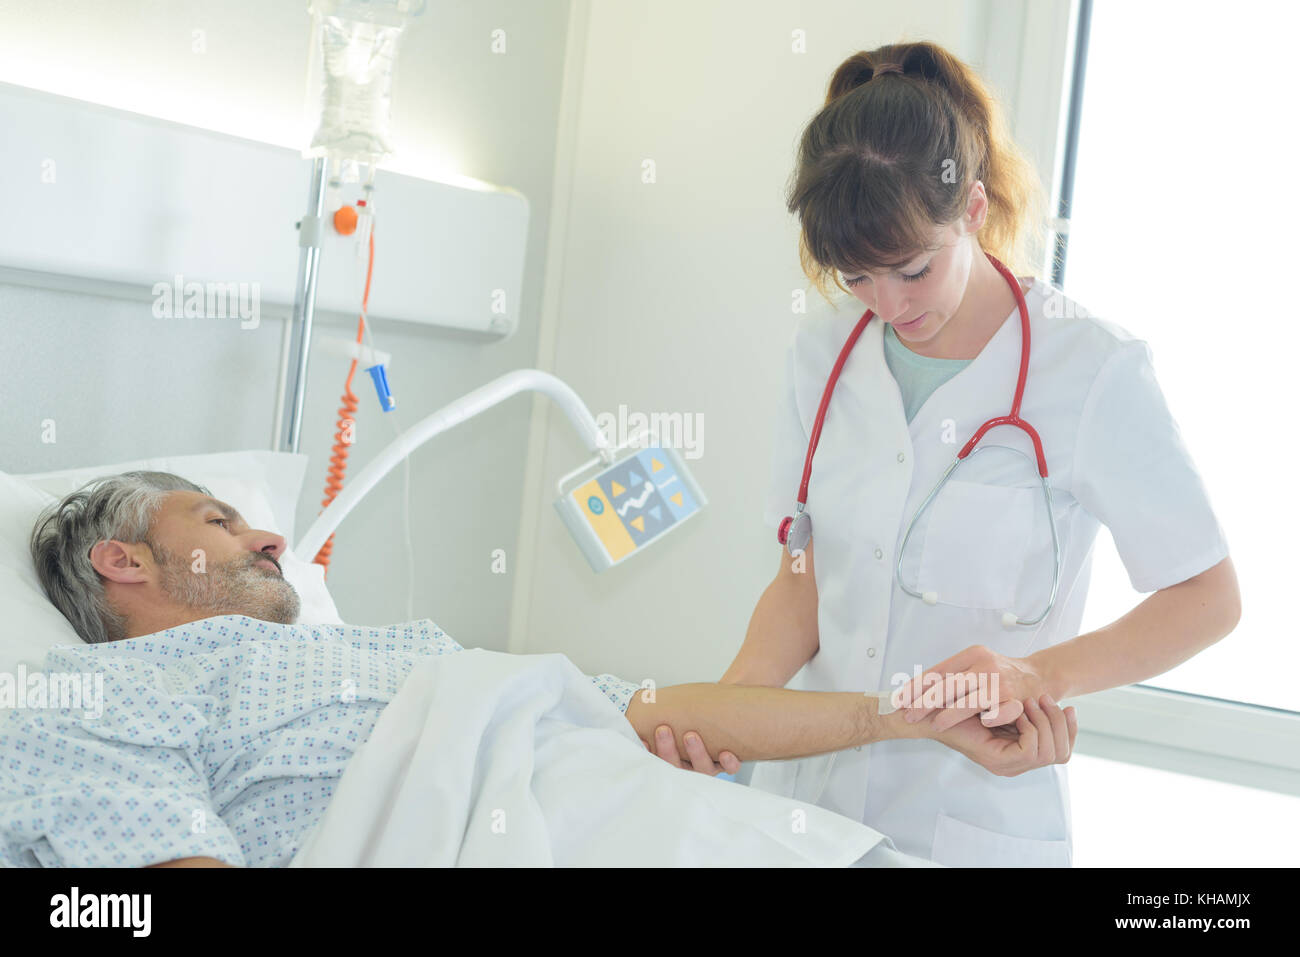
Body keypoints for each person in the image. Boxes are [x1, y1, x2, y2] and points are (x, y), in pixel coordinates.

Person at [652, 41, 1240, 867]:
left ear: (971, 206)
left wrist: (1046, 676)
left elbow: (1208, 595)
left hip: (974, 822)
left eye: (912, 270)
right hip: (807, 813)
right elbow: (805, 574)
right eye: (855, 277)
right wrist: (732, 704)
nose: (888, 306)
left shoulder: (1090, 368)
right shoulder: (824, 353)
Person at [1, 470, 1074, 867]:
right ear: (122, 561)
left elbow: (657, 712)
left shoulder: (403, 653)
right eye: (222, 519)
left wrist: (908, 718)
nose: (271, 539)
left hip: (639, 812)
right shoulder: (85, 701)